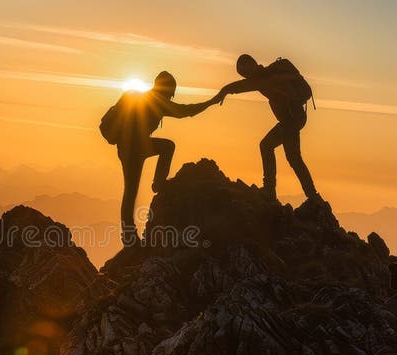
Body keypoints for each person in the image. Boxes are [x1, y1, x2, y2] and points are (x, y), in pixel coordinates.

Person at [112, 71, 213, 245]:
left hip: (128, 147)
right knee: (132, 190)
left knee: (130, 191)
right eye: (171, 92)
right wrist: (210, 102)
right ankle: (157, 184)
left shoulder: (146, 98)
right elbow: (185, 111)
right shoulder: (157, 102)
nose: (171, 97)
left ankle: (129, 236)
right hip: (135, 149)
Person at [211, 54, 319, 202]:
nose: (246, 76)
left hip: (292, 120)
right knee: (282, 153)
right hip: (294, 118)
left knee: (280, 152)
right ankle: (309, 194)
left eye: (245, 73)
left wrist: (223, 91)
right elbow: (240, 86)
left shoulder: (262, 79)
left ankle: (278, 190)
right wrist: (224, 91)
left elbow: (239, 86)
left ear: (251, 67)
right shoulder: (264, 76)